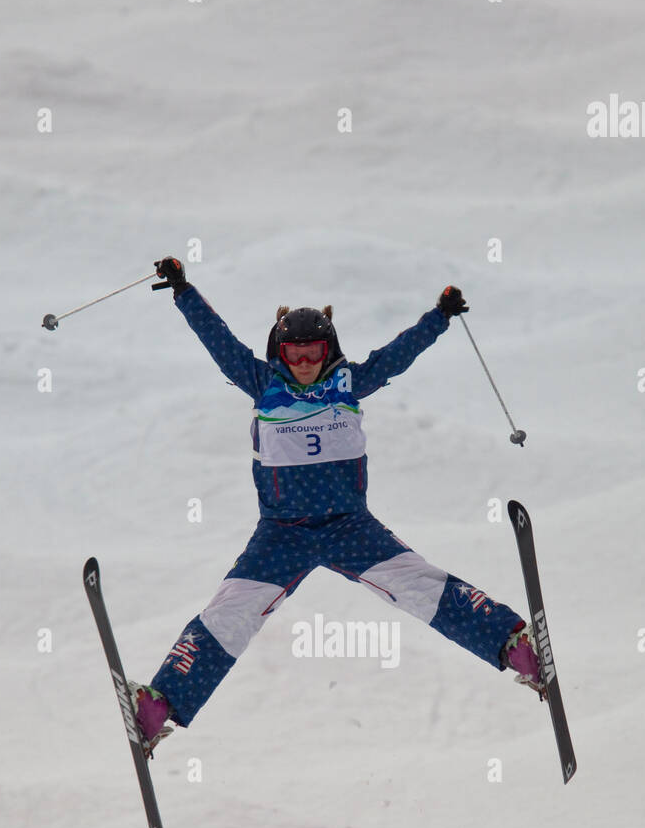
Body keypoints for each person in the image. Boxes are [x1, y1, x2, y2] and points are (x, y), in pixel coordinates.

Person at [129, 257, 542, 755]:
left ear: (331, 351)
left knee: (419, 585)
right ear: (278, 352)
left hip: (350, 527)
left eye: (314, 352)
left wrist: (440, 317)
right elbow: (219, 341)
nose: (304, 363)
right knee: (229, 612)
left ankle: (515, 647)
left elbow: (397, 355)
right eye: (294, 353)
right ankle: (159, 706)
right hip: (282, 533)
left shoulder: (349, 382)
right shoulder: (262, 383)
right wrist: (182, 290)